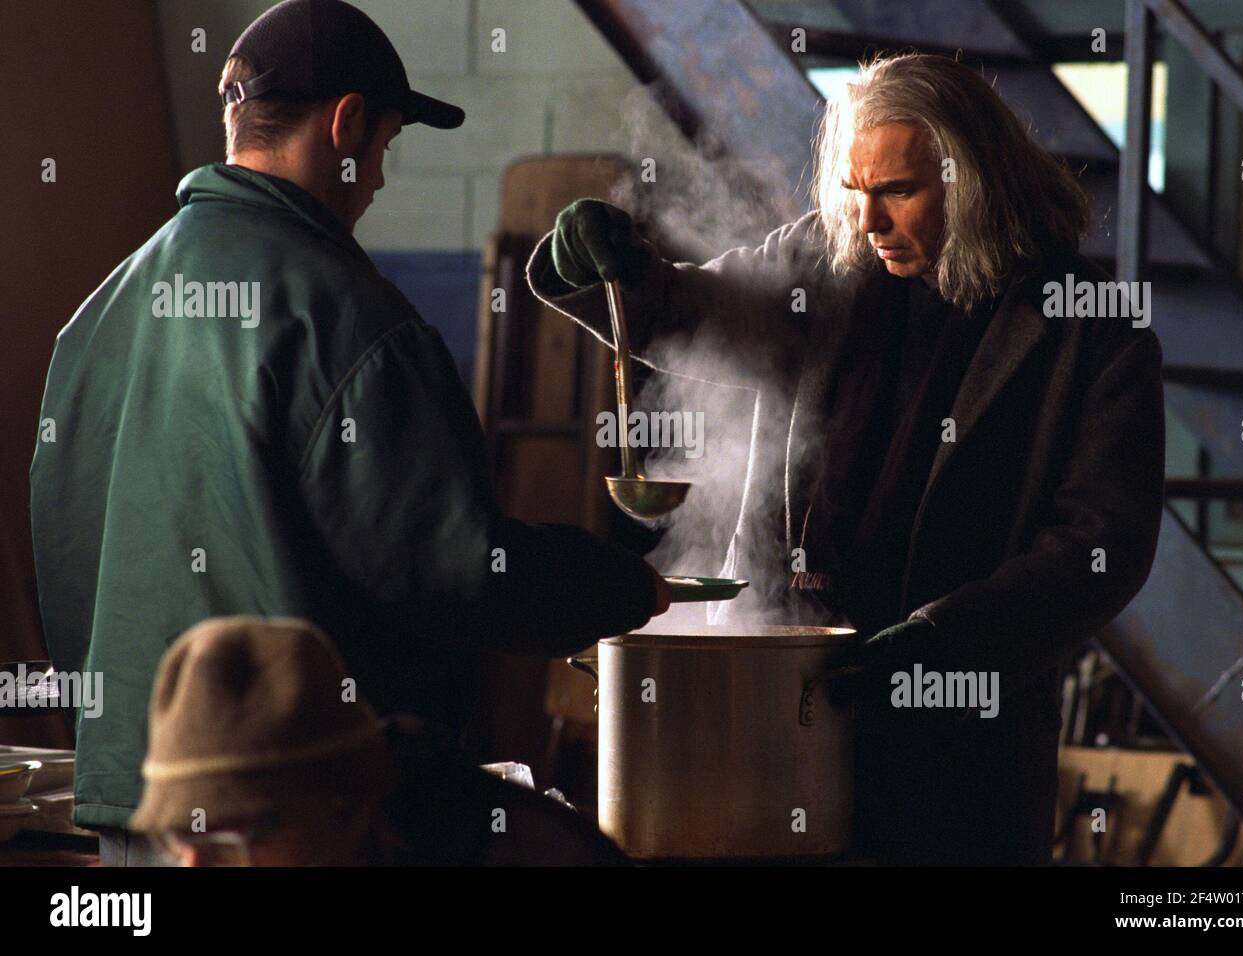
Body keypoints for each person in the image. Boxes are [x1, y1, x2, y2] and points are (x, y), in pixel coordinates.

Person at [30, 0, 668, 864]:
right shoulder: (350, 319)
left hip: (135, 809)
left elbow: (67, 565)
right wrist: (620, 588)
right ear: (348, 125)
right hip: (301, 817)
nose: (376, 182)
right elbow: (457, 570)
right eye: (386, 150)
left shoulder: (95, 318)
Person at [527, 53, 1165, 864]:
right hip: (784, 702)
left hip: (960, 734)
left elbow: (1098, 550)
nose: (868, 220)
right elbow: (687, 311)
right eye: (854, 191)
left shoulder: (1091, 330)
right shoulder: (826, 264)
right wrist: (609, 268)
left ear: (976, 181)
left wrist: (944, 640)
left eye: (899, 191)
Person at [130, 616, 626, 866]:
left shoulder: (531, 852)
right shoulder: (343, 843)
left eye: (224, 846)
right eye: (176, 843)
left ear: (341, 811)